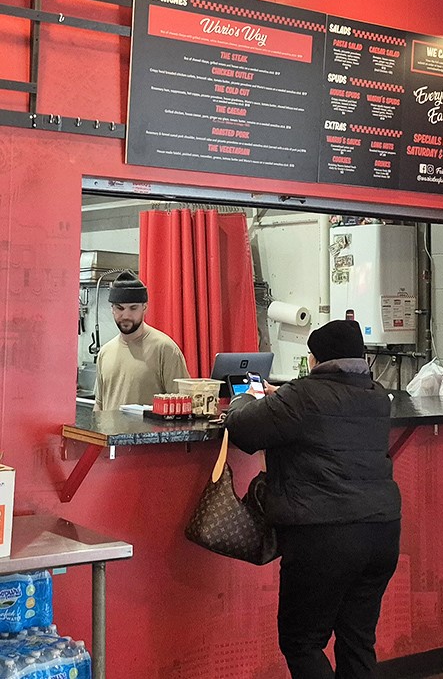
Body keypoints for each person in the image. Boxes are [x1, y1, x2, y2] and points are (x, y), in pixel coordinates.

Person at [224, 319, 401, 679]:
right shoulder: (378, 396)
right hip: (382, 532)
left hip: (323, 536)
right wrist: (283, 400)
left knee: (302, 641)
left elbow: (242, 428)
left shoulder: (303, 396)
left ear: (316, 359)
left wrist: (245, 397)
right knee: (357, 640)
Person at [94, 270, 190, 411]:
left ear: (144, 308)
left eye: (133, 308)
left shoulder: (165, 349)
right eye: (119, 308)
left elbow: (182, 406)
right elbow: (99, 404)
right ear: (112, 309)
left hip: (149, 434)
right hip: (109, 433)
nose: (126, 315)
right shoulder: (105, 352)